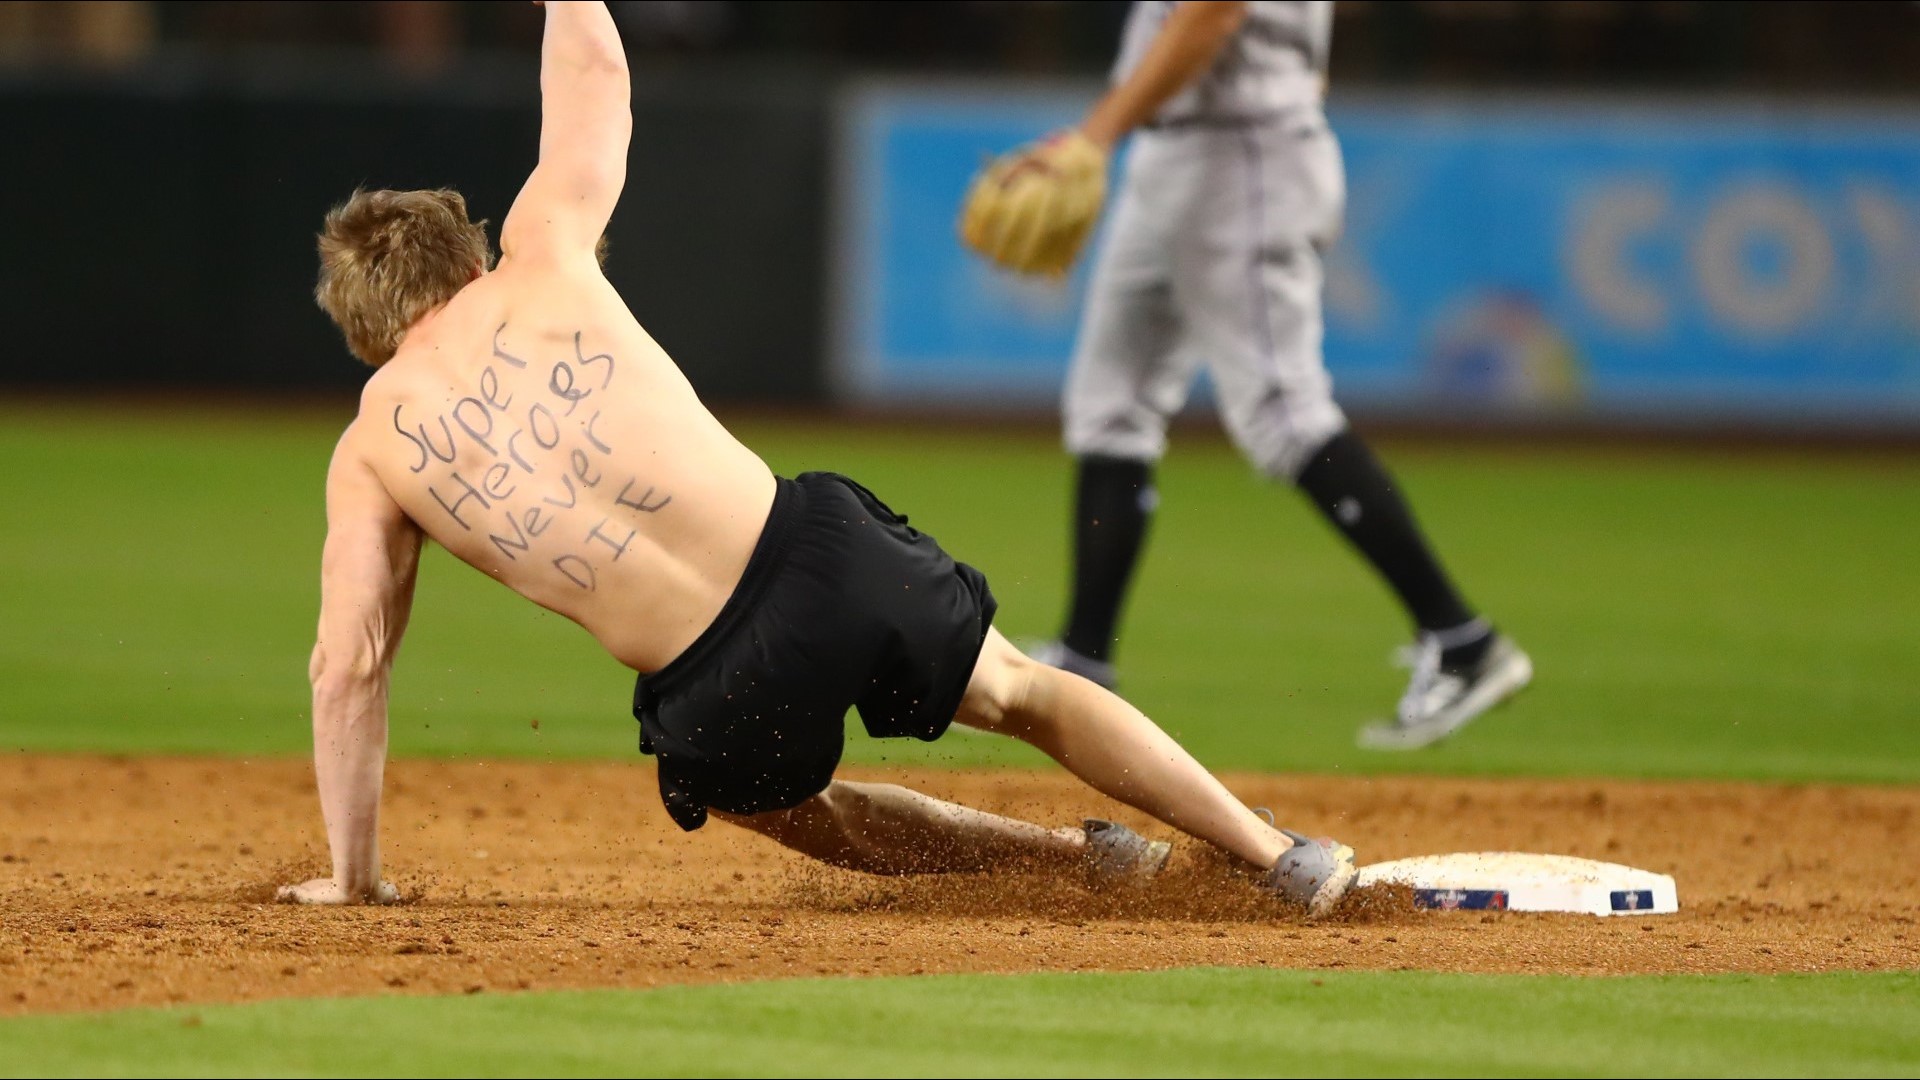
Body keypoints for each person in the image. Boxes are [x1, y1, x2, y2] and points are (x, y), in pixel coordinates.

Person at [278, 1, 1355, 915]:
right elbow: (598, 76)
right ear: (464, 254)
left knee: (786, 807)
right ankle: (1277, 857)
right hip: (816, 557)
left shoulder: (372, 447)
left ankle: (1079, 864)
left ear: (367, 331)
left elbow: (350, 666)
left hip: (707, 685)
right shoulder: (540, 256)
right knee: (1024, 692)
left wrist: (354, 878)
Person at [958, 1, 1532, 750]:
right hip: (1180, 148)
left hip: (1241, 154)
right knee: (1112, 404)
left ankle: (1463, 641)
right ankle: (1084, 660)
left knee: (1283, 413)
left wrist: (1094, 137)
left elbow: (1213, 11)